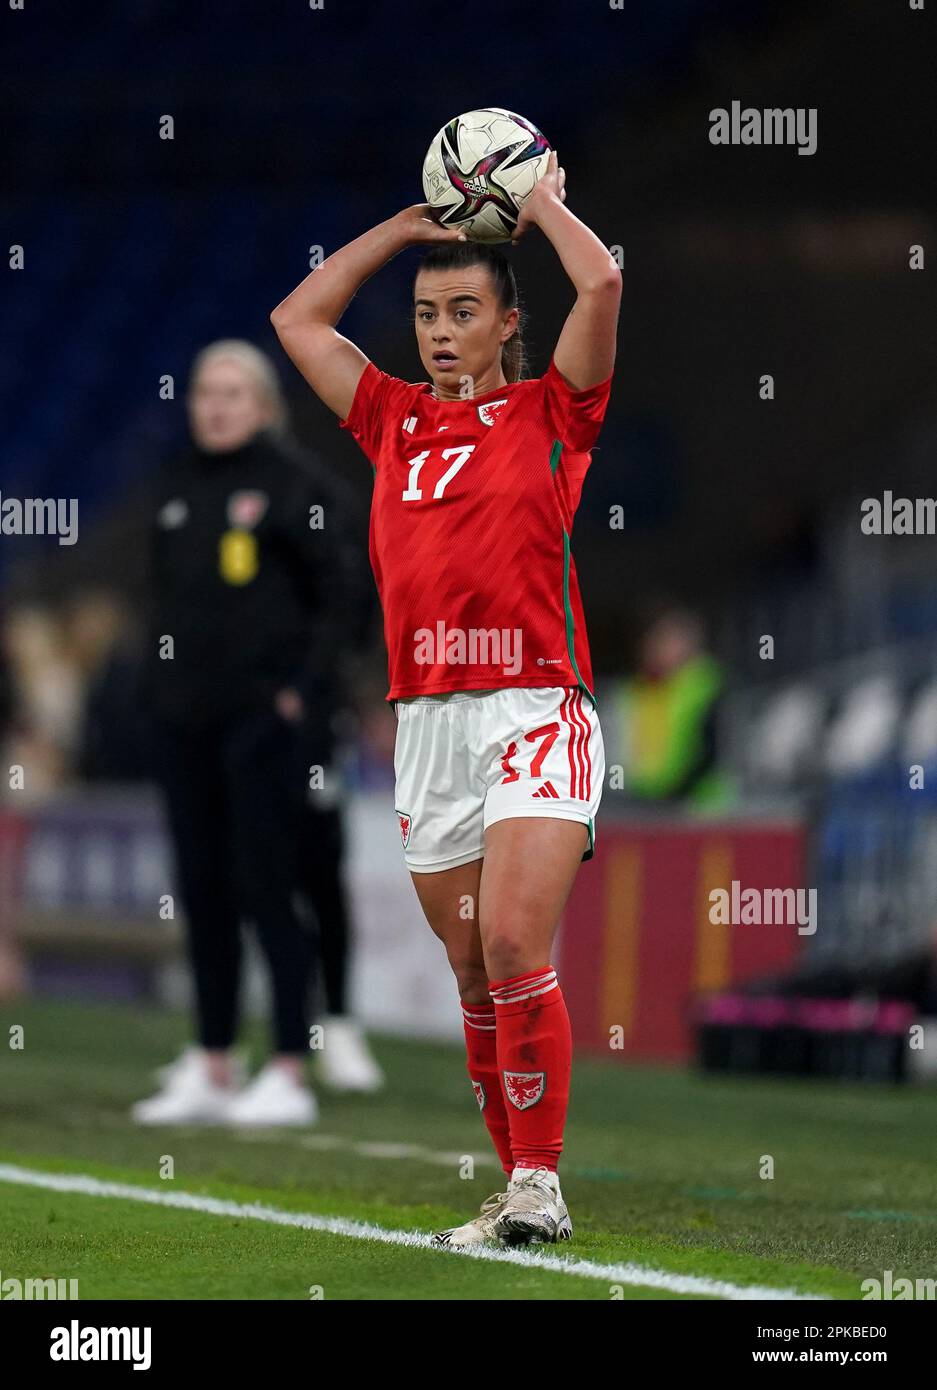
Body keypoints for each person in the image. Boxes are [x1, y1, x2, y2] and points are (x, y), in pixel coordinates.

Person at [271, 152, 621, 1245]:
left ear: (507, 325)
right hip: (425, 725)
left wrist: (541, 205)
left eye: (463, 310)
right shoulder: (391, 421)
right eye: (425, 312)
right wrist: (408, 228)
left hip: (532, 709)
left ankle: (544, 1184)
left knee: (516, 943)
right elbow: (296, 319)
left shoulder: (550, 417)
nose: (437, 329)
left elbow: (601, 285)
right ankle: (512, 1189)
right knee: (474, 971)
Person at [133, 339, 382, 1128]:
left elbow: (347, 600)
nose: (216, 404)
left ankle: (288, 1064)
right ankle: (211, 1060)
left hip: (268, 728)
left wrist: (299, 695)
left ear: (266, 405)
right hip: (186, 725)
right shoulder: (174, 489)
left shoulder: (301, 488)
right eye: (206, 389)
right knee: (203, 892)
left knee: (269, 888)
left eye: (234, 391)